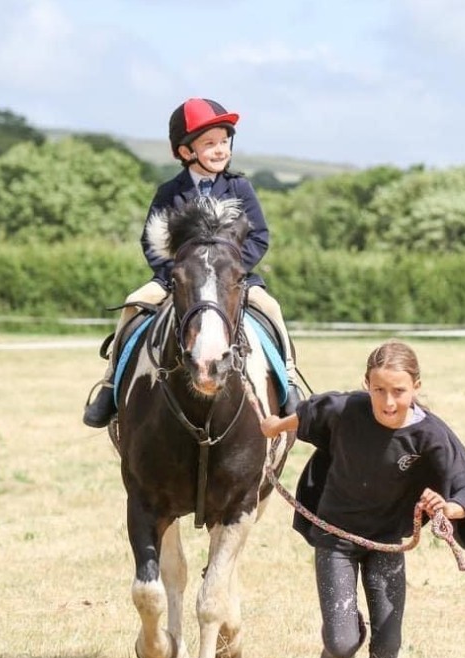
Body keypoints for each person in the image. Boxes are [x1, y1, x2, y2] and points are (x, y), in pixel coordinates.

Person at [259, 340, 465, 658]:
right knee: (342, 642)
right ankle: (343, 640)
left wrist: (447, 508)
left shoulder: (430, 434)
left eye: (399, 390)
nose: (388, 401)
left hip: (386, 543)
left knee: (388, 643)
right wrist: (275, 427)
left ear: (416, 387)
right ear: (367, 384)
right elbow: (309, 414)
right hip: (336, 538)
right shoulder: (347, 410)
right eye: (379, 390)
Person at [83, 97, 302, 427]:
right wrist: (178, 275)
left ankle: (289, 382)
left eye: (224, 141)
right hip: (178, 279)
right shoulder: (170, 192)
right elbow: (152, 241)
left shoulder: (239, 187)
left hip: (231, 279)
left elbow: (259, 236)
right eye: (209, 143)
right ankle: (112, 382)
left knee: (271, 307)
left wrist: (230, 271)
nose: (220, 150)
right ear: (186, 151)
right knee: (133, 303)